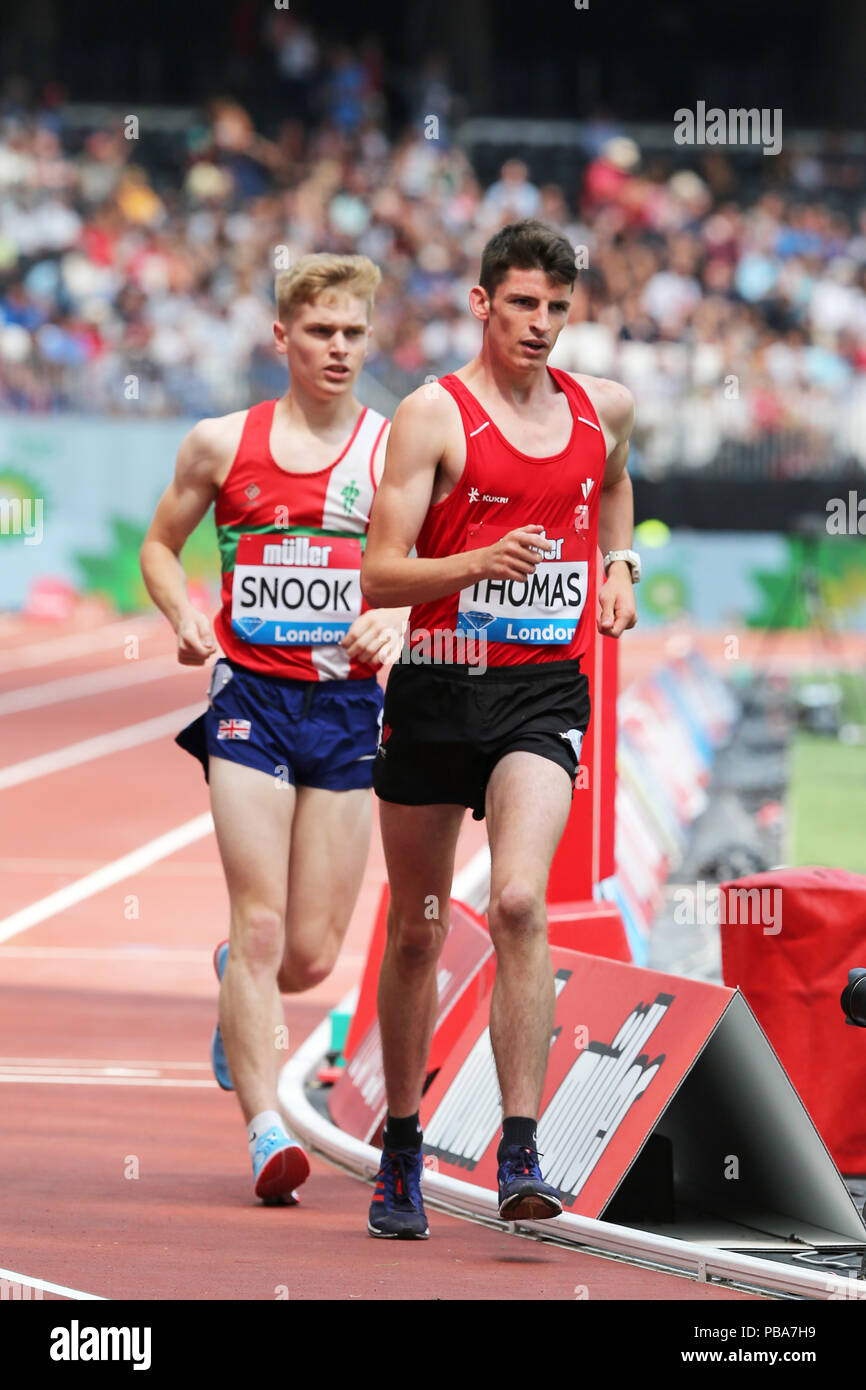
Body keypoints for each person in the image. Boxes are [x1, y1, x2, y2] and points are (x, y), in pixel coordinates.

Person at [360, 219, 639, 1238]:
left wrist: (618, 567)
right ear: (482, 304)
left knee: (520, 900)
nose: (540, 324)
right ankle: (400, 1143)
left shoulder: (599, 410)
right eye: (522, 304)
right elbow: (378, 571)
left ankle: (519, 1149)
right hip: (436, 687)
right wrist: (471, 565)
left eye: (557, 308)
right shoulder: (432, 417)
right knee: (416, 929)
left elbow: (609, 487)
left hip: (539, 695)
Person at [140, 253, 405, 1205]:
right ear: (281, 337)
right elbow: (160, 546)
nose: (339, 349)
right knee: (256, 925)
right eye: (321, 331)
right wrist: (182, 616)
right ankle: (264, 1133)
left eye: (354, 334)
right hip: (248, 700)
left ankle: (234, 981)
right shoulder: (221, 445)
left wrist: (401, 619)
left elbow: (432, 567)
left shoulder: (391, 452)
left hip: (346, 711)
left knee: (308, 957)